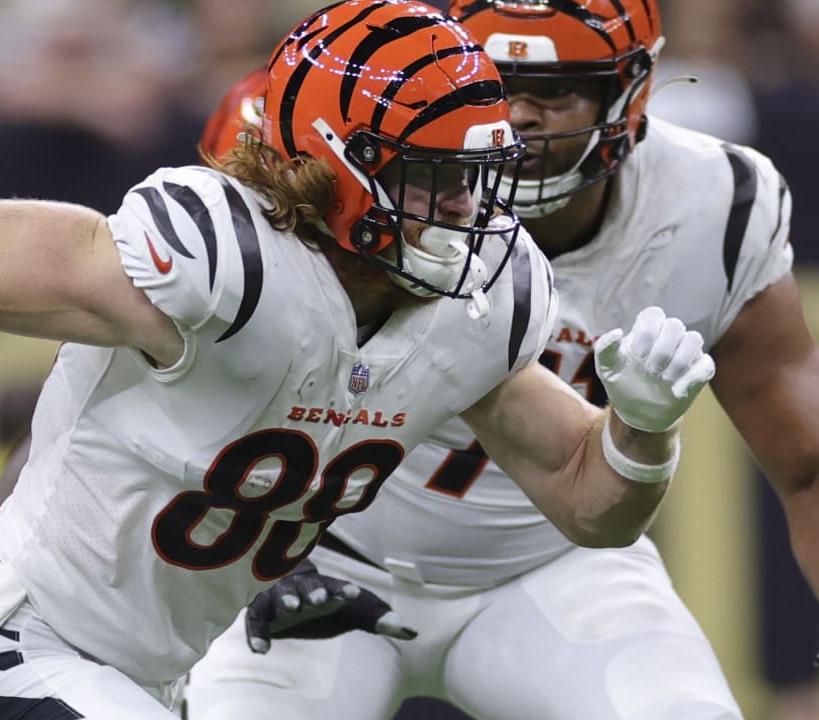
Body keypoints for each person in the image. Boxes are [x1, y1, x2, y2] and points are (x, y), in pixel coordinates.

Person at [0, 2, 715, 718]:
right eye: (432, 175)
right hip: (11, 642)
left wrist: (642, 426)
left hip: (149, 674)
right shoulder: (221, 257)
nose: (470, 209)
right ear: (335, 164)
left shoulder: (480, 303)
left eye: (477, 174)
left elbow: (588, 507)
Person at [186, 1, 802, 719]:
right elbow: (169, 371)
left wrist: (642, 431)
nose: (522, 118)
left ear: (629, 93)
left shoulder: (712, 206)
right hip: (316, 553)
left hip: (553, 566)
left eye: (559, 89)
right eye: (497, 86)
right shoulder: (344, 173)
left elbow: (804, 465)